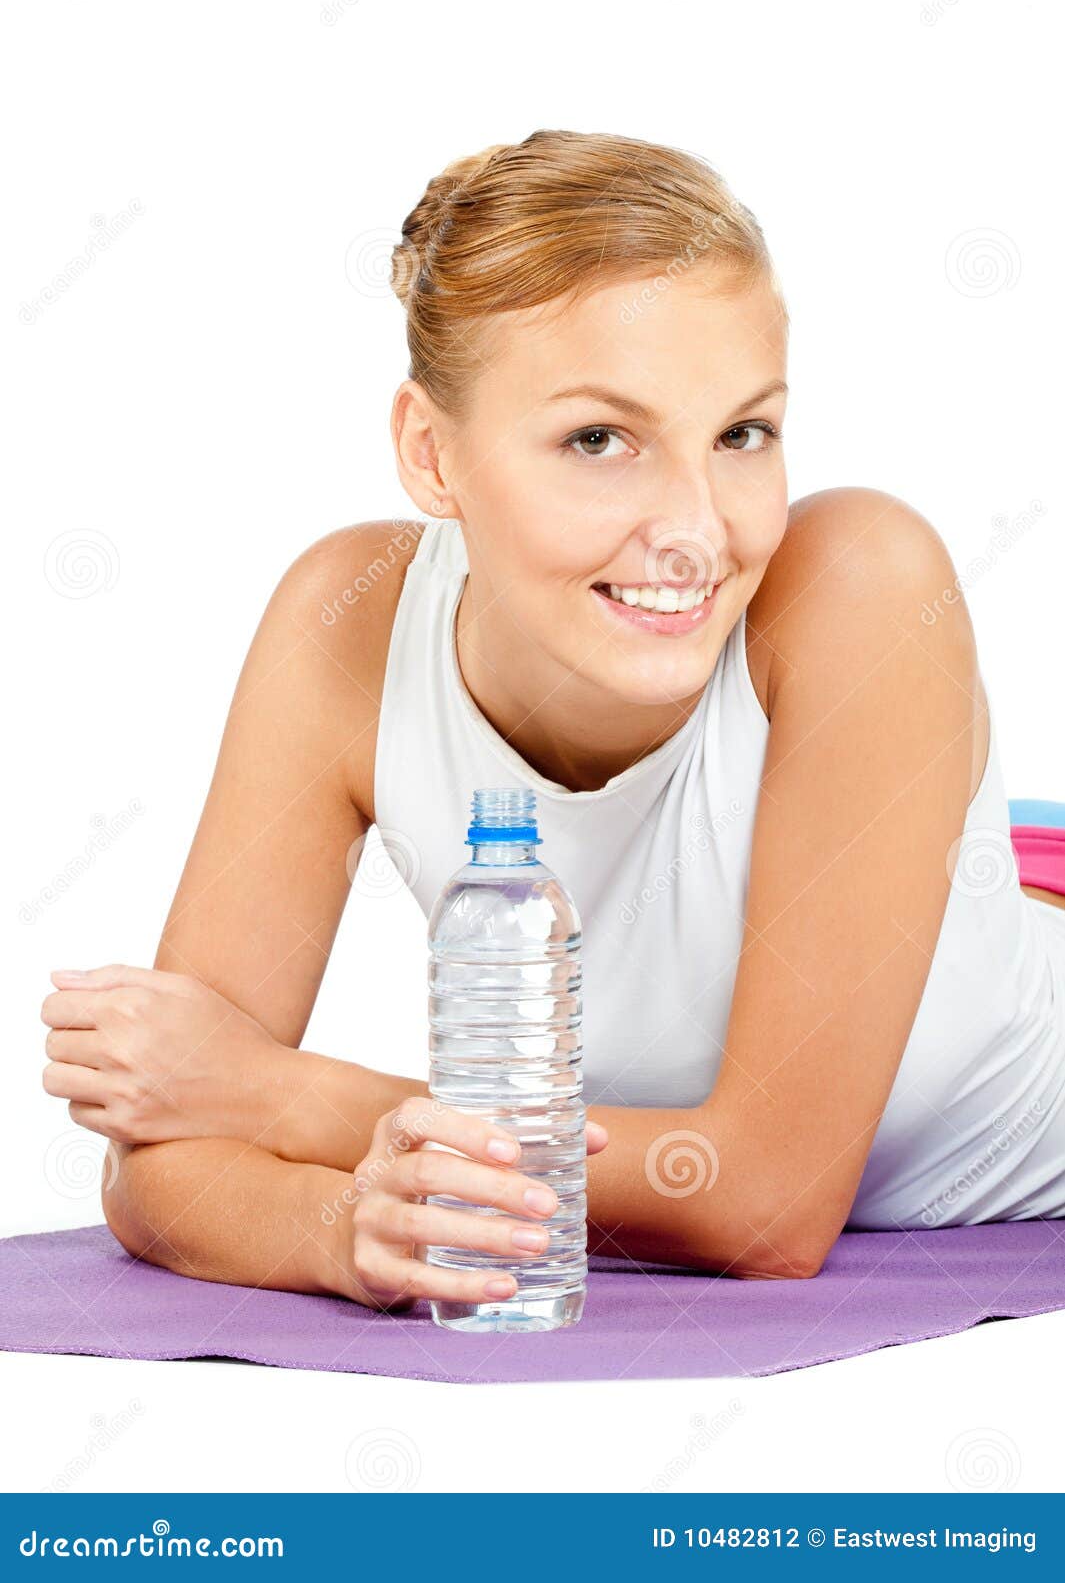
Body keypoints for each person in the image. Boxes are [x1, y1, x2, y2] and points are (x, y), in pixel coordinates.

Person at [41, 129, 1065, 1314]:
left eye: (742, 433)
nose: (695, 531)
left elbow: (766, 1205)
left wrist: (285, 1096)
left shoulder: (862, 580)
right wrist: (344, 1231)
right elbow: (163, 1146)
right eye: (598, 440)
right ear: (431, 453)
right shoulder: (345, 626)